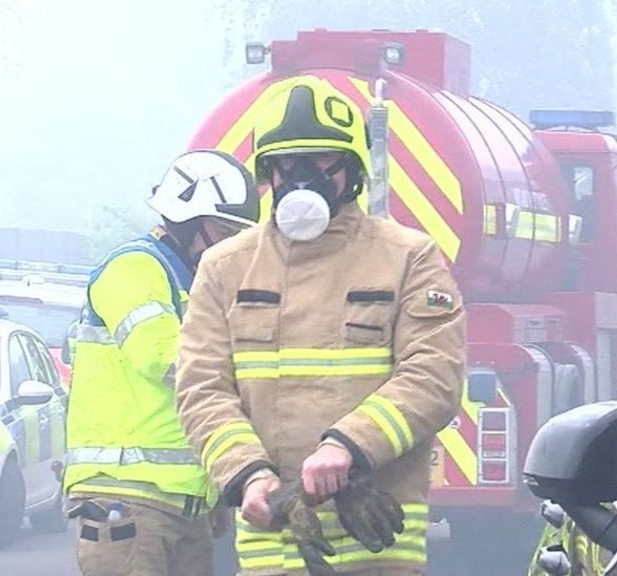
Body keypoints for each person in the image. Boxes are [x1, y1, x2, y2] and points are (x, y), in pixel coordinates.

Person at [175, 78, 466, 576]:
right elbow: (201, 388)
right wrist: (248, 475)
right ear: (267, 173)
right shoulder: (226, 266)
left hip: (377, 546)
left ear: (352, 169)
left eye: (320, 160)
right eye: (287, 163)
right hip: (273, 542)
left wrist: (347, 446)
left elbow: (434, 376)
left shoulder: (408, 257)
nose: (302, 176)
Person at [63, 149, 261, 576]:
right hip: (131, 497)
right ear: (189, 220)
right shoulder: (135, 267)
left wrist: (213, 490)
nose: (233, 245)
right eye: (225, 231)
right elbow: (161, 357)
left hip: (179, 501)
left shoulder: (189, 279)